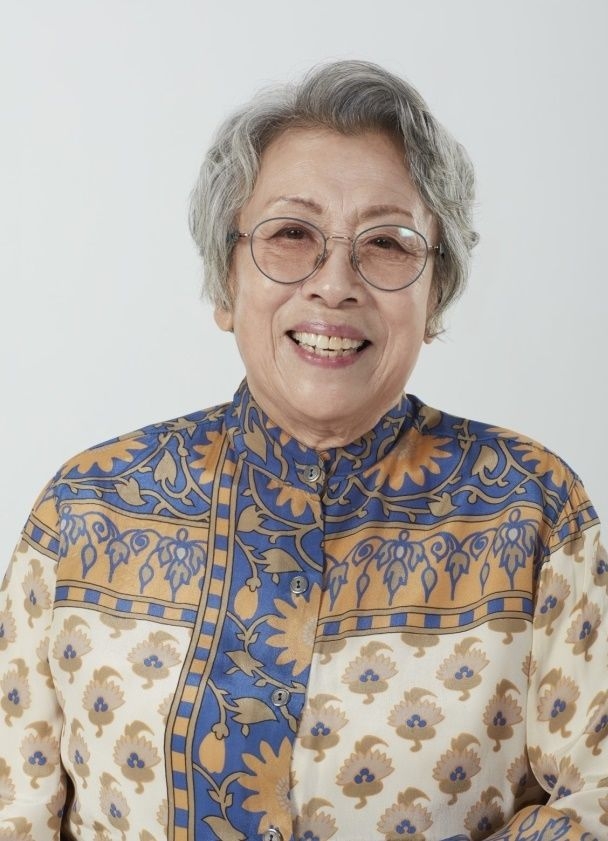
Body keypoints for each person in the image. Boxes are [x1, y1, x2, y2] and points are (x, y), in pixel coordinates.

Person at [0, 60, 606, 841]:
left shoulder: (532, 510)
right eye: (292, 235)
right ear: (226, 280)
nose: (335, 283)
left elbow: (595, 802)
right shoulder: (87, 510)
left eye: (387, 243)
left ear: (435, 294)